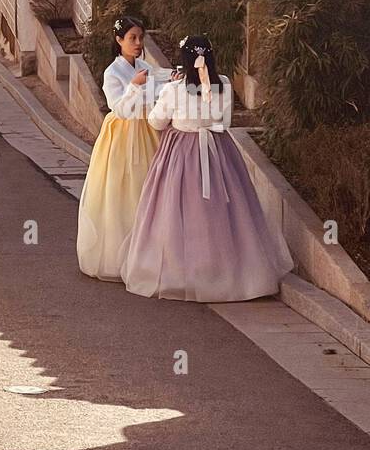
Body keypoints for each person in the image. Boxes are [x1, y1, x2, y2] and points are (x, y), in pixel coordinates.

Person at [121, 35, 294, 302]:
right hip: (218, 151)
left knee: (177, 209)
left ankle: (181, 272)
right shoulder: (223, 84)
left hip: (179, 154)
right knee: (226, 210)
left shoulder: (174, 89)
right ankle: (225, 271)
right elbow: (224, 121)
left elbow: (156, 122)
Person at [76, 15, 162, 281]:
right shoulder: (112, 72)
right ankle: (118, 257)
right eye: (132, 38)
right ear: (119, 40)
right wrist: (135, 88)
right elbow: (119, 108)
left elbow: (157, 97)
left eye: (140, 38)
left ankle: (148, 255)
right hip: (123, 134)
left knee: (150, 190)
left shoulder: (146, 66)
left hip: (148, 130)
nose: (137, 43)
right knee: (120, 190)